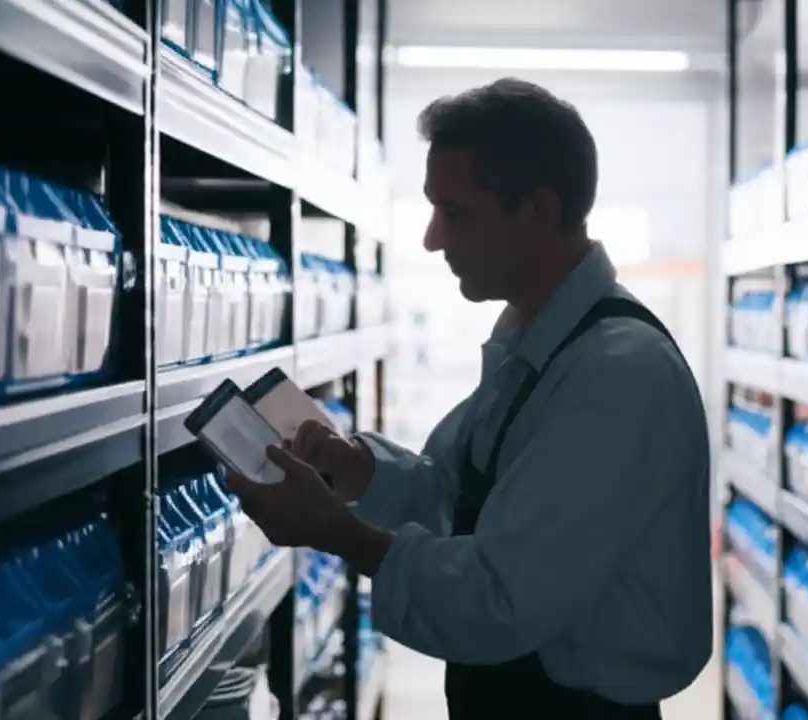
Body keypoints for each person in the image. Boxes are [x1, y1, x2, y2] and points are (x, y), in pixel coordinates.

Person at [227, 78, 712, 719]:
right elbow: (462, 503)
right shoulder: (534, 347)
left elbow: (502, 597)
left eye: (454, 213)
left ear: (537, 211)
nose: (433, 239)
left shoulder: (619, 375)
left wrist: (337, 532)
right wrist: (355, 469)